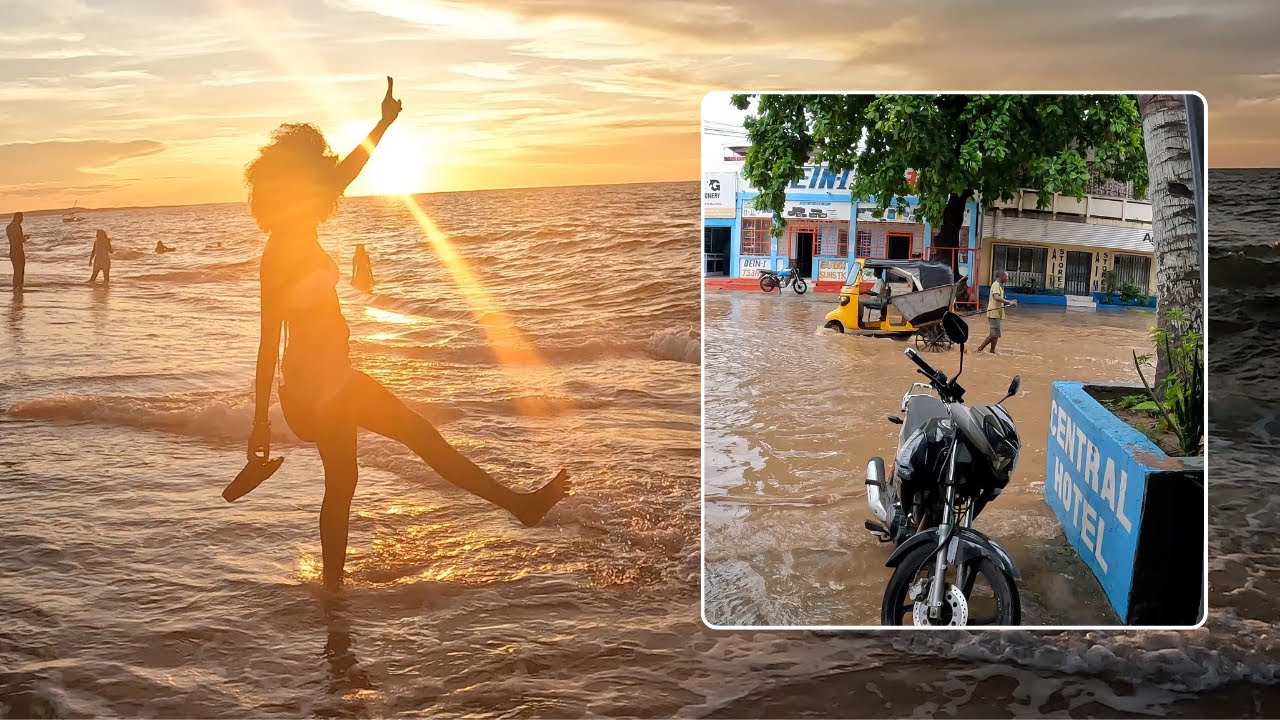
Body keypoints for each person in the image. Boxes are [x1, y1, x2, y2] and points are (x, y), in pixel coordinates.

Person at [244, 76, 570, 592]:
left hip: (330, 381)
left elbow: (346, 172)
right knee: (411, 443)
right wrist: (260, 423)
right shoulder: (280, 253)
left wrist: (384, 122)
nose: (326, 185)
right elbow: (268, 344)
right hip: (317, 388)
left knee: (350, 481)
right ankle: (519, 507)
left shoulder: (300, 233)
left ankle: (333, 591)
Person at [976, 270, 1018, 354]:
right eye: (1006, 276)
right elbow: (996, 297)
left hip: (997, 312)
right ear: (1001, 276)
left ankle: (992, 351)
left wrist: (1010, 301)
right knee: (994, 334)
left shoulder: (1000, 285)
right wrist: (1009, 302)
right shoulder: (996, 285)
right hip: (993, 312)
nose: (1007, 278)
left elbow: (1000, 298)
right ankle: (979, 350)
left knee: (996, 334)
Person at [7, 212, 27, 291]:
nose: (22, 220)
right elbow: (19, 239)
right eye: (21, 218)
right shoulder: (17, 227)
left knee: (16, 271)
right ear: (18, 218)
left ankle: (15, 287)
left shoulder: (9, 227)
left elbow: (13, 239)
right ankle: (20, 288)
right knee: (20, 270)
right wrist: (25, 238)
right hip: (18, 251)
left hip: (12, 251)